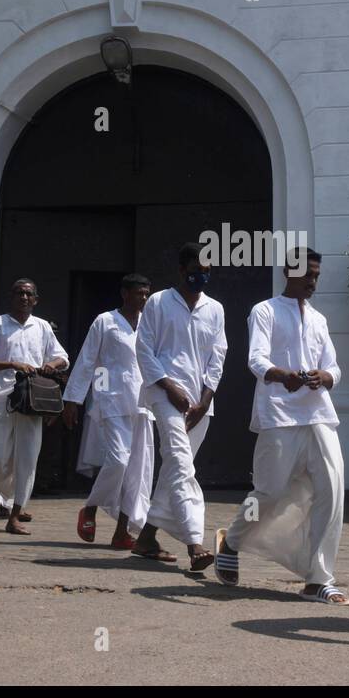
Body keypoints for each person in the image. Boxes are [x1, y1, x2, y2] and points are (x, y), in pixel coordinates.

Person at [213, 249, 349, 604]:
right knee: (270, 492)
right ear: (289, 271)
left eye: (317, 275)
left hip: (319, 414)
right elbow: (256, 359)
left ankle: (318, 579)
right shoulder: (265, 310)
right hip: (279, 414)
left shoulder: (319, 319)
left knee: (332, 493)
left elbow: (335, 367)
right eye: (308, 274)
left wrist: (325, 377)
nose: (313, 281)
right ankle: (232, 541)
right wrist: (283, 376)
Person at [131, 244, 227, 571]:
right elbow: (143, 350)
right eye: (197, 268)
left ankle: (146, 536)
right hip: (164, 395)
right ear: (182, 269)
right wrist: (168, 386)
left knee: (173, 468)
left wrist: (205, 400)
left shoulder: (215, 309)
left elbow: (218, 357)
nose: (203, 274)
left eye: (208, 270)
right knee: (182, 464)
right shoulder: (158, 302)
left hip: (199, 404)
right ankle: (195, 543)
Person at [0, 280, 68, 534]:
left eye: (28, 294)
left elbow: (62, 358)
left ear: (35, 299)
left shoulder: (42, 326)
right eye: (19, 293)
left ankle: (14, 515)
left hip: (32, 401)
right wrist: (13, 364)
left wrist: (51, 365)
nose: (24, 297)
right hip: (3, 399)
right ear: (11, 297)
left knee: (27, 459)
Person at [63, 274, 154, 550]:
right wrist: (72, 400)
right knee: (119, 460)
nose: (144, 299)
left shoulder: (151, 325)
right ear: (125, 293)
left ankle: (121, 532)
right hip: (111, 399)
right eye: (139, 293)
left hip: (144, 402)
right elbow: (87, 359)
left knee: (138, 471)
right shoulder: (105, 321)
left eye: (147, 294)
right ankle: (90, 507)